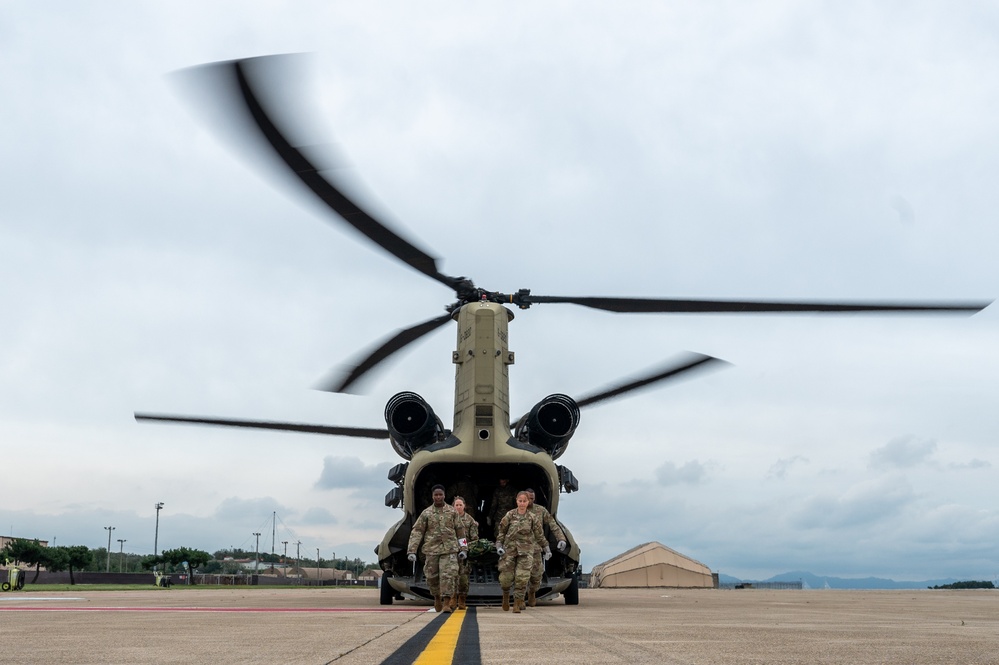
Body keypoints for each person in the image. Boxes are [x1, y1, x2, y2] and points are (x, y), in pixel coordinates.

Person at [407, 484, 468, 613]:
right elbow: (417, 531)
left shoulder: (452, 512)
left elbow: (460, 530)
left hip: (449, 550)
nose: (438, 497)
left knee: (448, 576)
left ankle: (446, 603)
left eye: (440, 495)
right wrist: (412, 550)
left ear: (444, 496)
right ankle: (436, 598)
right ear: (432, 496)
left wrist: (463, 548)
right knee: (432, 577)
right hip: (432, 550)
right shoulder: (426, 513)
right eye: (436, 495)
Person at [494, 490, 546, 613]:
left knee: (522, 578)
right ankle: (506, 595)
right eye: (520, 501)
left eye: (524, 501)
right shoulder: (509, 515)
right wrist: (499, 545)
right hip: (510, 550)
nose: (522, 503)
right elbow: (502, 532)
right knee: (506, 579)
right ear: (516, 501)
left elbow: (539, 535)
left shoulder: (533, 518)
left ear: (528, 502)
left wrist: (546, 547)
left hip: (526, 552)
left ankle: (517, 603)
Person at [525, 488, 569, 606]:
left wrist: (561, 539)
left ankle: (532, 592)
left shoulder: (540, 511)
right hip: (520, 549)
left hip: (536, 548)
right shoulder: (515, 512)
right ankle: (519, 599)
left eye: (532, 499)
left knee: (536, 575)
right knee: (520, 575)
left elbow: (553, 524)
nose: (530, 501)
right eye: (528, 498)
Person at [452, 496, 479, 609]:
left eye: (460, 505)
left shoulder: (470, 520)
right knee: (451, 577)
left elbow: (474, 538)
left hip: (464, 553)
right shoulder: (449, 518)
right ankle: (452, 599)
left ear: (464, 506)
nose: (458, 507)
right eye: (456, 505)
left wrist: (468, 549)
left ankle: (462, 599)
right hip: (451, 551)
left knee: (463, 578)